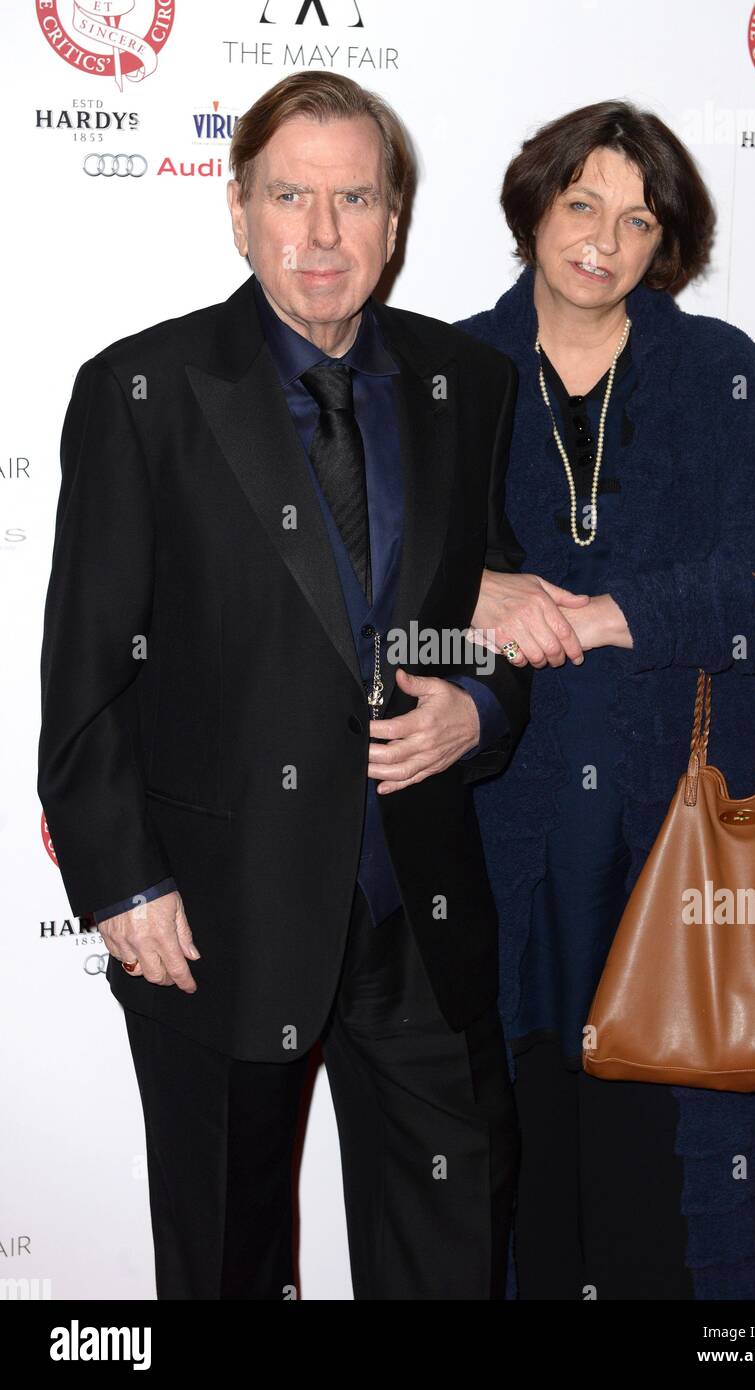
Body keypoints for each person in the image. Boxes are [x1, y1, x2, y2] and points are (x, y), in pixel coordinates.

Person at [37, 72, 532, 1301]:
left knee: (450, 1249)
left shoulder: (460, 384)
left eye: (353, 198)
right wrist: (119, 878)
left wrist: (477, 711)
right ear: (239, 209)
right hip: (218, 916)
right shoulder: (142, 391)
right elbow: (87, 664)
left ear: (396, 219)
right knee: (226, 1258)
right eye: (291, 197)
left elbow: (493, 607)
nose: (321, 236)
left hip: (414, 906)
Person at [458, 99, 755, 1300]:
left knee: (692, 1180)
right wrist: (478, 586)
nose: (603, 240)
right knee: (523, 1155)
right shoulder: (448, 372)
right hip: (510, 833)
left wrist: (613, 616)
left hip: (689, 836)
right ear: (535, 209)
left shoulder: (720, 372)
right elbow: (382, 578)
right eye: (581, 205)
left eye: (638, 219)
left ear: (667, 245)